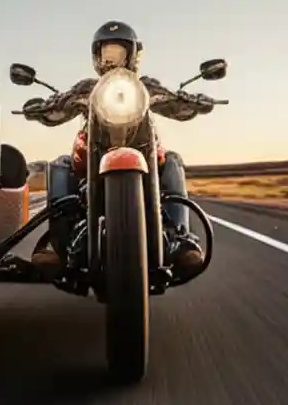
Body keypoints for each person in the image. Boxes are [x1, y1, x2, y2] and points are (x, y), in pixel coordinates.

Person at [24, 21, 215, 278]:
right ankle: (59, 244)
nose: (111, 60)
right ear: (97, 57)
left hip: (145, 149)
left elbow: (176, 105)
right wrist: (42, 109)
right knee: (60, 165)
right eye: (106, 53)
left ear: (133, 55)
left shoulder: (147, 87)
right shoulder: (87, 89)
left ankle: (180, 238)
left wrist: (195, 102)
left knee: (171, 160)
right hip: (93, 153)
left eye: (119, 52)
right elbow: (58, 108)